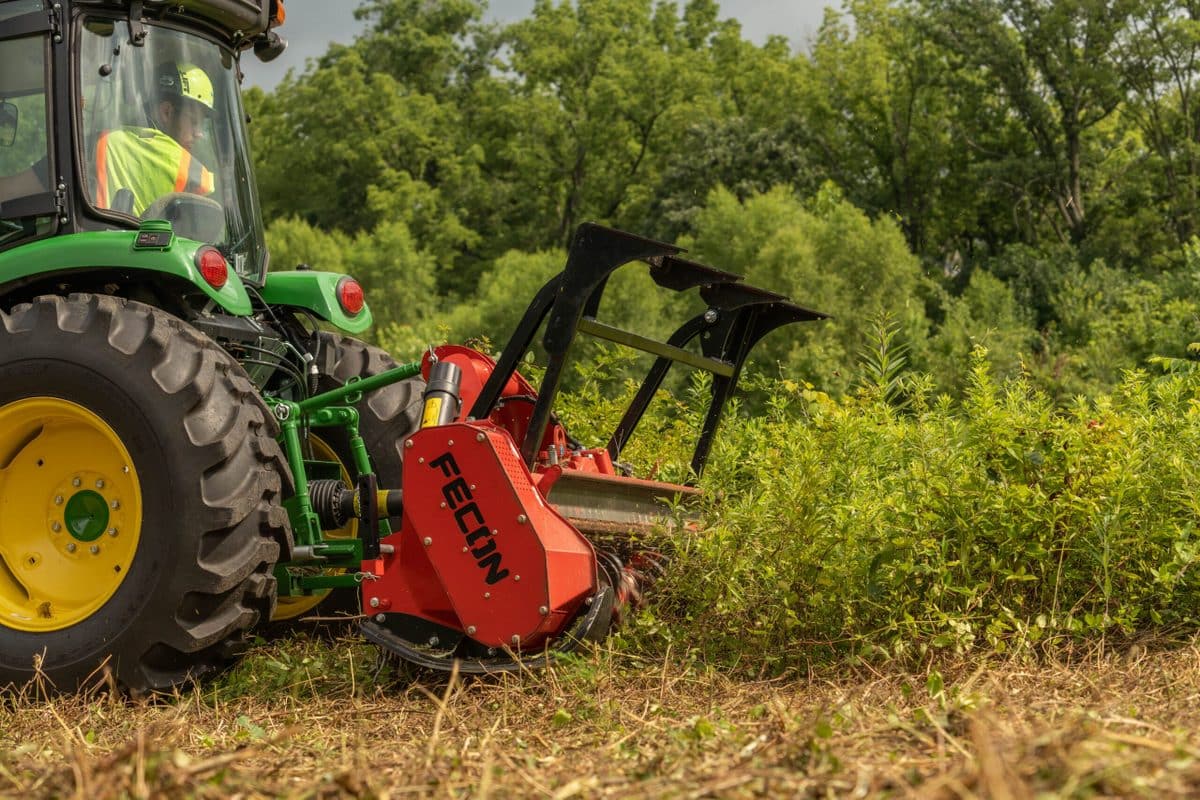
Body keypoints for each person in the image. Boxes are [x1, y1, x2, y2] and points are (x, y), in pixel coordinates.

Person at [93, 61, 216, 216]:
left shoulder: (106, 140)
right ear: (166, 112)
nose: (199, 133)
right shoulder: (180, 164)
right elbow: (206, 185)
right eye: (193, 121)